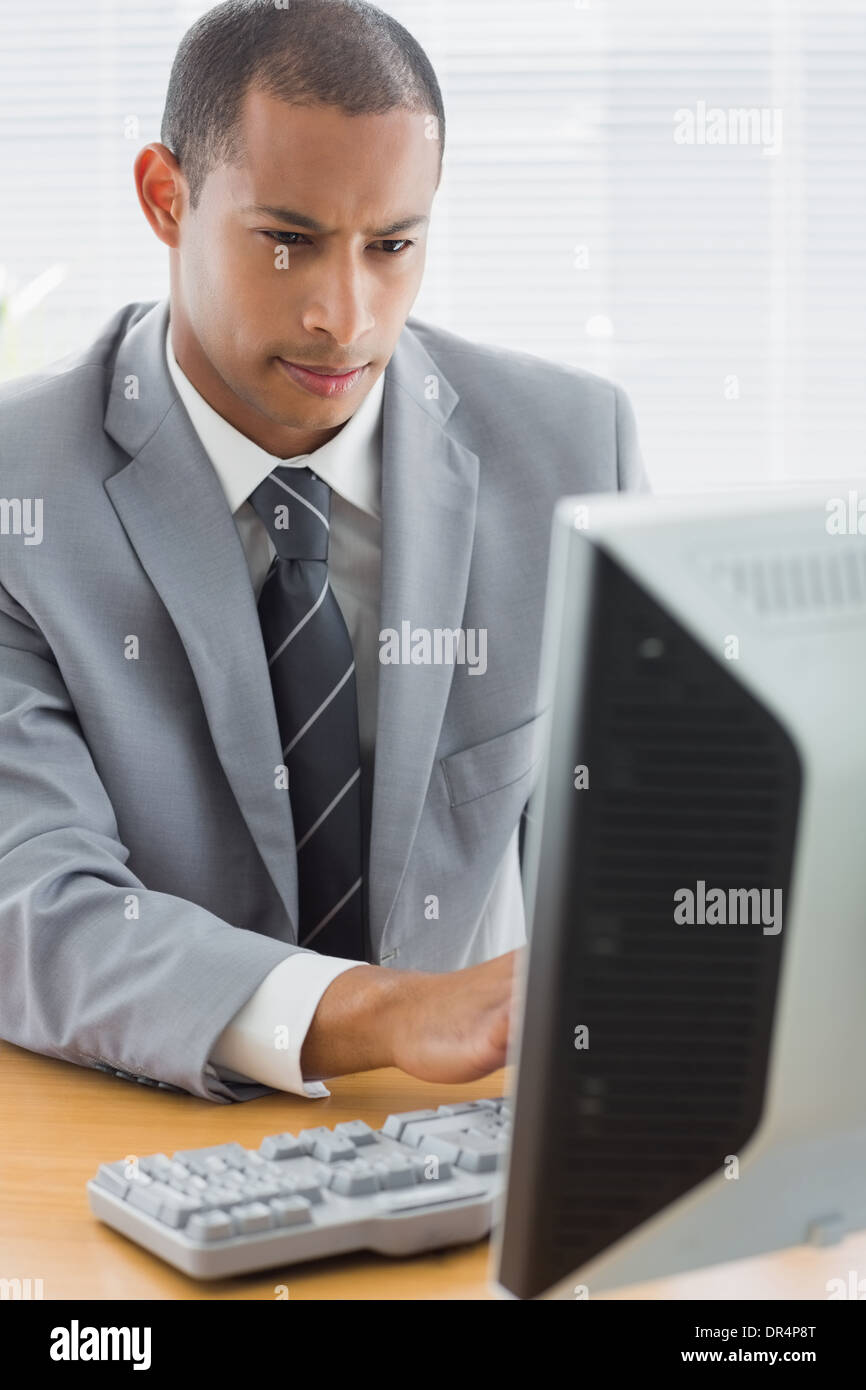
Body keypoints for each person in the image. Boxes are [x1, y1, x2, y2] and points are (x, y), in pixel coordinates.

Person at [0, 0, 648, 1103]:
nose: (344, 317)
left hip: (458, 1144)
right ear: (167, 197)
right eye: (287, 240)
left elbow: (640, 858)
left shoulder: (570, 450)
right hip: (136, 1136)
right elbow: (35, 906)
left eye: (392, 246)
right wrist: (383, 1009)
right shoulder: (23, 490)